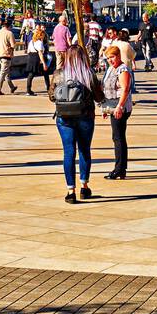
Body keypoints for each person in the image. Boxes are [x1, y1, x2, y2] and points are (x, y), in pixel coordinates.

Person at [53, 45, 104, 202]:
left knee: (68, 152)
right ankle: (84, 186)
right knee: (84, 150)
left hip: (64, 118)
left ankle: (70, 190)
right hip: (85, 116)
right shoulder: (88, 74)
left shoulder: (59, 74)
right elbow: (99, 97)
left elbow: (51, 96)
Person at [100, 43, 132, 180]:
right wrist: (106, 108)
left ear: (119, 55)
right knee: (117, 137)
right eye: (108, 58)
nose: (110, 60)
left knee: (118, 138)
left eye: (112, 57)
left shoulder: (122, 69)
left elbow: (125, 89)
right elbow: (106, 89)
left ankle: (119, 169)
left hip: (120, 107)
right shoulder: (110, 69)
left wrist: (119, 106)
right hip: (112, 106)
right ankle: (121, 168)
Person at [0, 17, 17, 94]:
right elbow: (13, 45)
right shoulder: (9, 33)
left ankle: (12, 87)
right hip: (6, 55)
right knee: (3, 72)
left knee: (6, 72)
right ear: (9, 26)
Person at [25, 24, 49, 95]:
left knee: (30, 74)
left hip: (30, 57)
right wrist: (44, 63)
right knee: (45, 73)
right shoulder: (40, 43)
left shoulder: (31, 42)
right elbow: (40, 54)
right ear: (41, 35)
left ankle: (28, 90)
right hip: (36, 58)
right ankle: (48, 87)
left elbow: (28, 51)